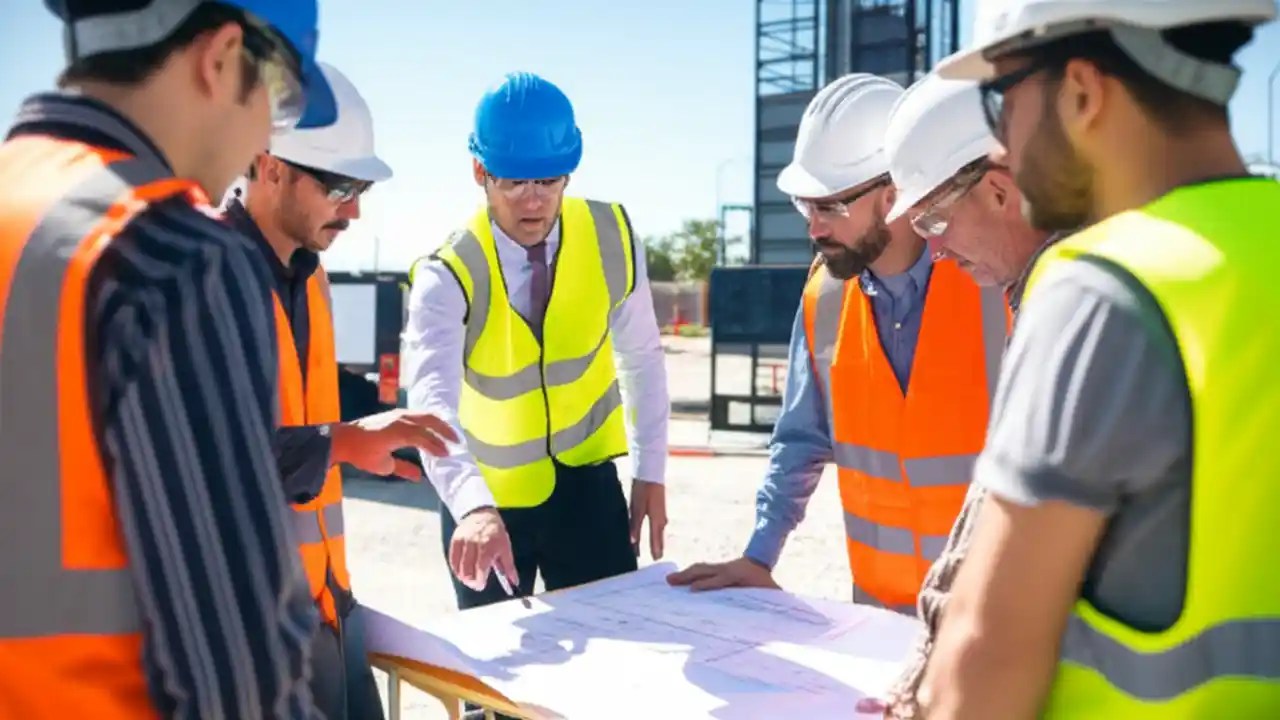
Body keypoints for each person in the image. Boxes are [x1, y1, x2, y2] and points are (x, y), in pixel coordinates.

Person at [910, 0, 1280, 717]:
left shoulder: (1102, 286)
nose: (1000, 145)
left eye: (1000, 100)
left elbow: (986, 659)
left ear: (1081, 91)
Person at [0, 0, 339, 717]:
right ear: (218, 58)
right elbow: (240, 683)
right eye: (279, 96)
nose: (266, 133)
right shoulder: (167, 257)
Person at [667, 73, 1010, 615]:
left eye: (829, 207)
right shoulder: (823, 299)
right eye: (806, 209)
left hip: (991, 619)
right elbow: (800, 441)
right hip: (877, 617)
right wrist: (760, 556)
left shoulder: (993, 284)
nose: (813, 229)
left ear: (894, 198)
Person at [224, 61, 455, 720]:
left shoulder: (310, 278)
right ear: (269, 166)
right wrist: (348, 444)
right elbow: (204, 462)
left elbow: (303, 419)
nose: (354, 209)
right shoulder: (201, 282)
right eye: (340, 186)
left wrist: (367, 439)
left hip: (325, 606)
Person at [404, 72, 669, 610]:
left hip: (587, 492)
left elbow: (641, 357)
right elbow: (430, 405)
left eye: (548, 181)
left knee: (620, 658)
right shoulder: (447, 272)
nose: (534, 202)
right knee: (499, 686)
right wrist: (472, 508)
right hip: (488, 500)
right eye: (514, 182)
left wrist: (651, 472)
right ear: (480, 171)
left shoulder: (611, 235)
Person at [855, 70, 1059, 718]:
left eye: (936, 219)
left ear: (999, 189)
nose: (934, 249)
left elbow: (1007, 503)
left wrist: (935, 673)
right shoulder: (1043, 286)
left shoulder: (1075, 296)